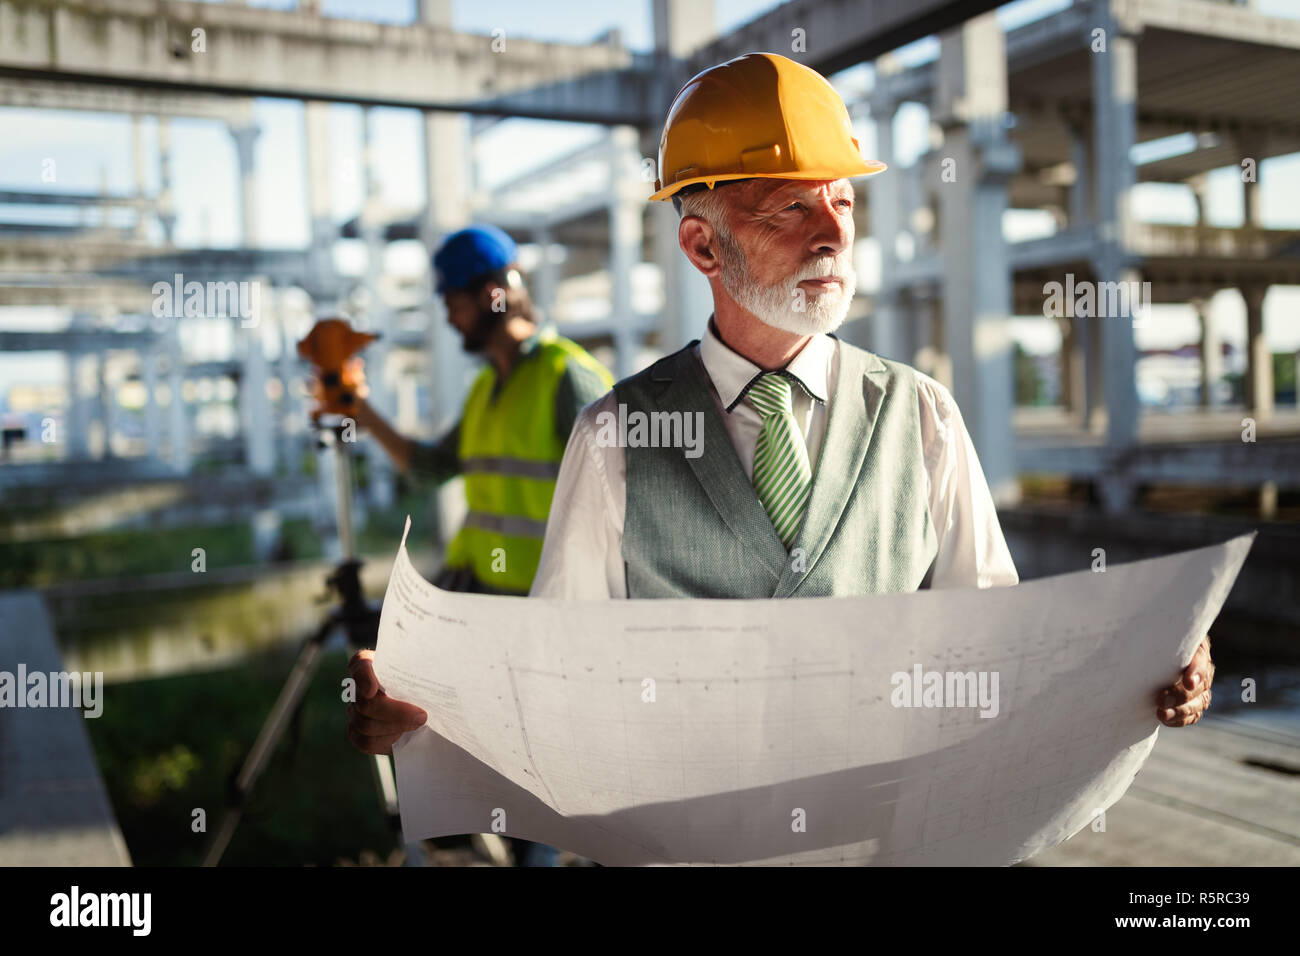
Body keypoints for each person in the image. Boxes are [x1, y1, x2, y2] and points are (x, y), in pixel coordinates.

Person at [345, 54, 1215, 841]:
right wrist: (430, 714)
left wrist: (1143, 670)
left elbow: (997, 656)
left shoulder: (922, 418)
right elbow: (558, 684)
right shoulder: (616, 434)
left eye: (840, 200)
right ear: (701, 244)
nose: (832, 234)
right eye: (790, 207)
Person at [325, 224, 612, 865]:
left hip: (548, 638)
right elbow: (429, 469)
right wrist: (360, 411)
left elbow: (630, 509)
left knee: (536, 812)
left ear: (495, 293)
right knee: (491, 796)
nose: (449, 316)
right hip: (485, 625)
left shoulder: (571, 379)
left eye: (452, 300)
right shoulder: (487, 390)